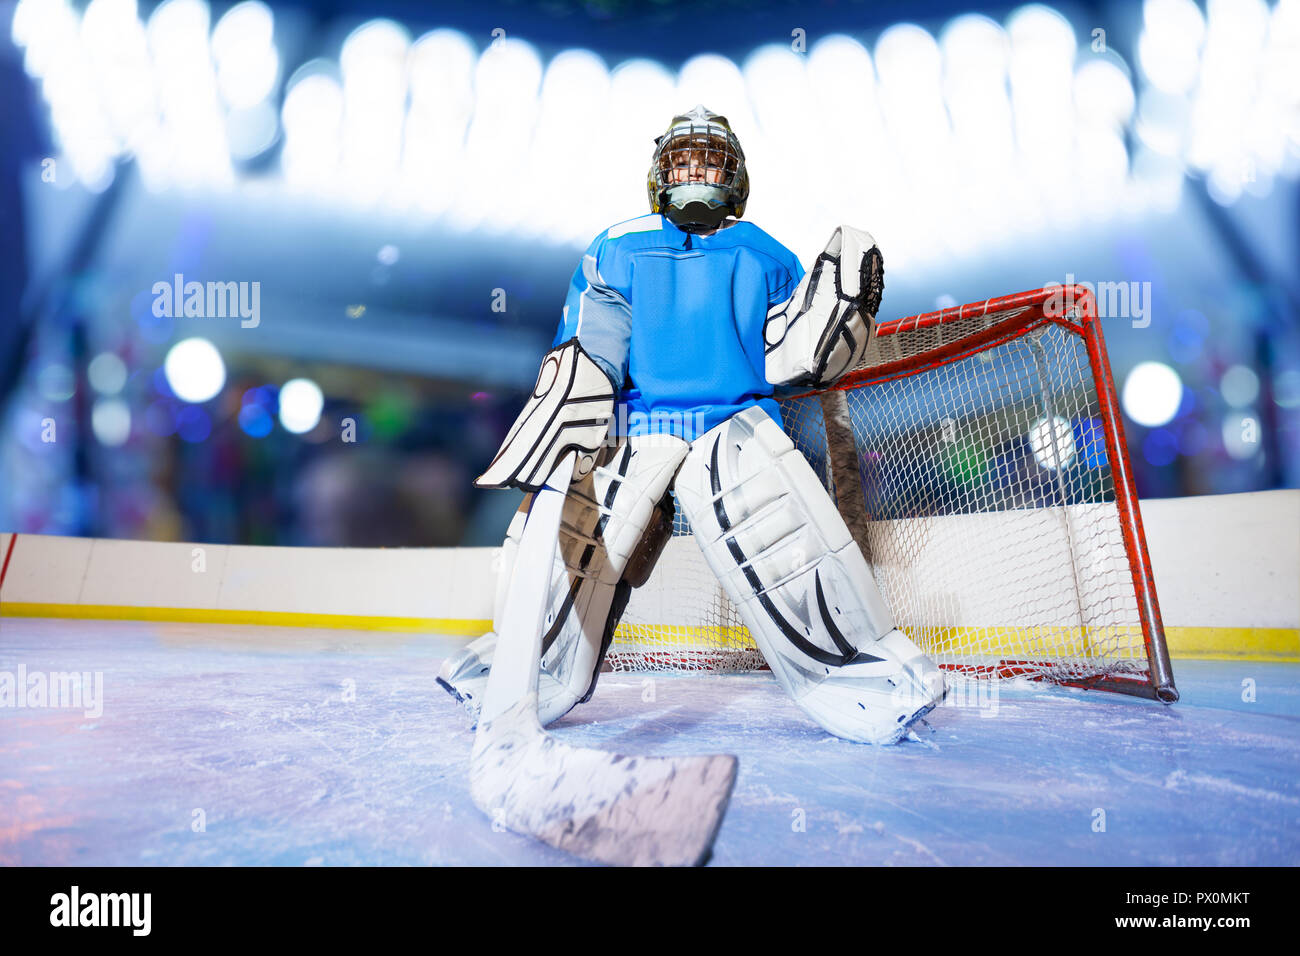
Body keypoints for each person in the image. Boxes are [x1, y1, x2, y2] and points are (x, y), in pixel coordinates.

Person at [439, 106, 945, 744]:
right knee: (580, 546)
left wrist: (825, 334)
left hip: (734, 427)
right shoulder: (617, 249)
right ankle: (521, 667)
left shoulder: (765, 254)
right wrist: (572, 411)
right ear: (661, 173)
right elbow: (595, 345)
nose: (696, 171)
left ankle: (856, 673)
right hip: (638, 426)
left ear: (733, 175)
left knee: (784, 540)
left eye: (708, 160)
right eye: (684, 160)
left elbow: (786, 349)